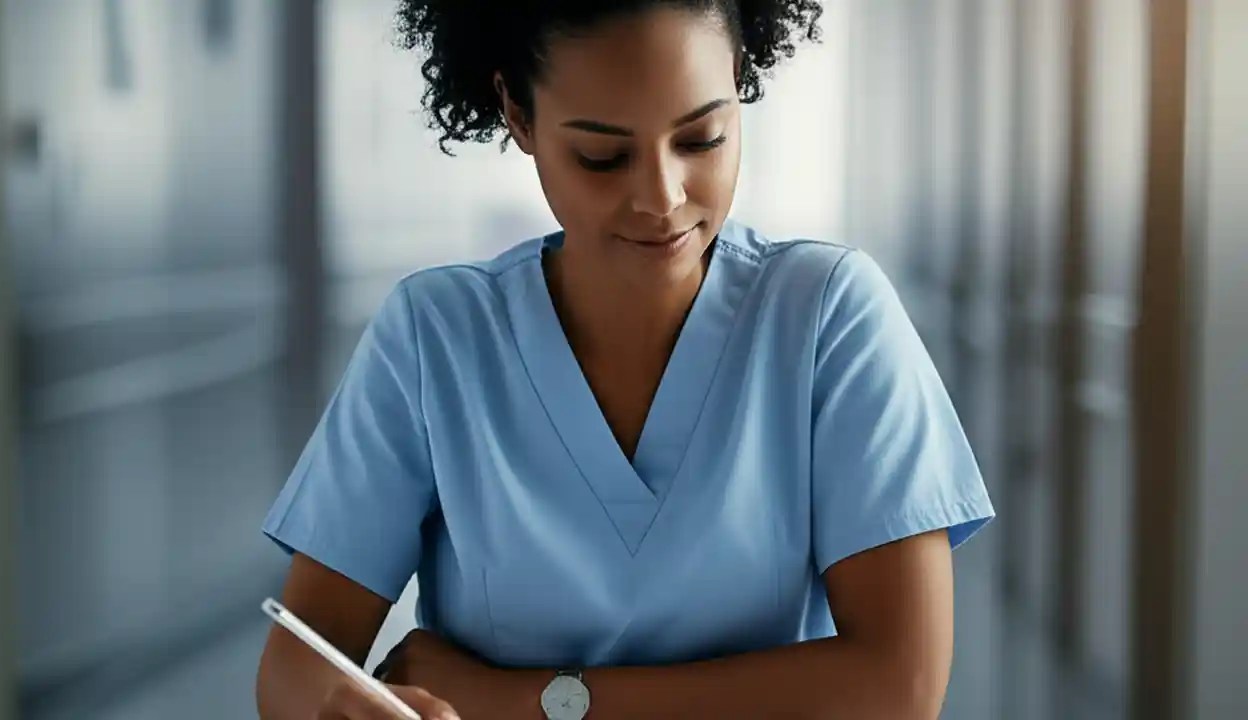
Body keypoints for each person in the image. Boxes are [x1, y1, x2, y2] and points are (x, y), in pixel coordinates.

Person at [255, 1, 994, 718]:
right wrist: (340, 705)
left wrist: (530, 704)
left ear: (739, 78)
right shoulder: (435, 336)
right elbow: (299, 660)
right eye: (602, 156)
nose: (662, 197)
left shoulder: (829, 315)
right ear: (518, 115)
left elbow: (898, 688)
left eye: (702, 138)